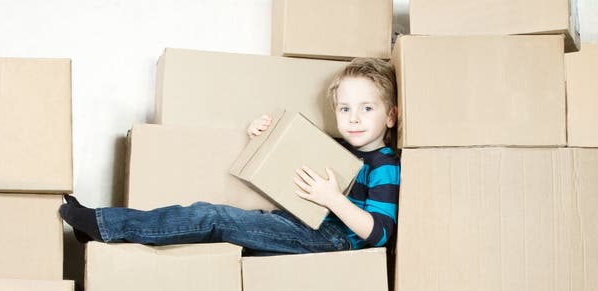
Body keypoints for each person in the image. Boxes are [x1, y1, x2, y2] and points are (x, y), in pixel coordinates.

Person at [60, 57, 400, 256]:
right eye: (345, 109)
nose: (354, 119)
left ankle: (104, 225)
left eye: (367, 108)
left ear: (390, 116)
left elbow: (381, 233)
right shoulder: (337, 149)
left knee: (213, 218)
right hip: (302, 224)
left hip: (333, 241)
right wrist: (261, 137)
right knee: (219, 224)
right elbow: (288, 164)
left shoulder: (383, 164)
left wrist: (333, 199)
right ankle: (106, 229)